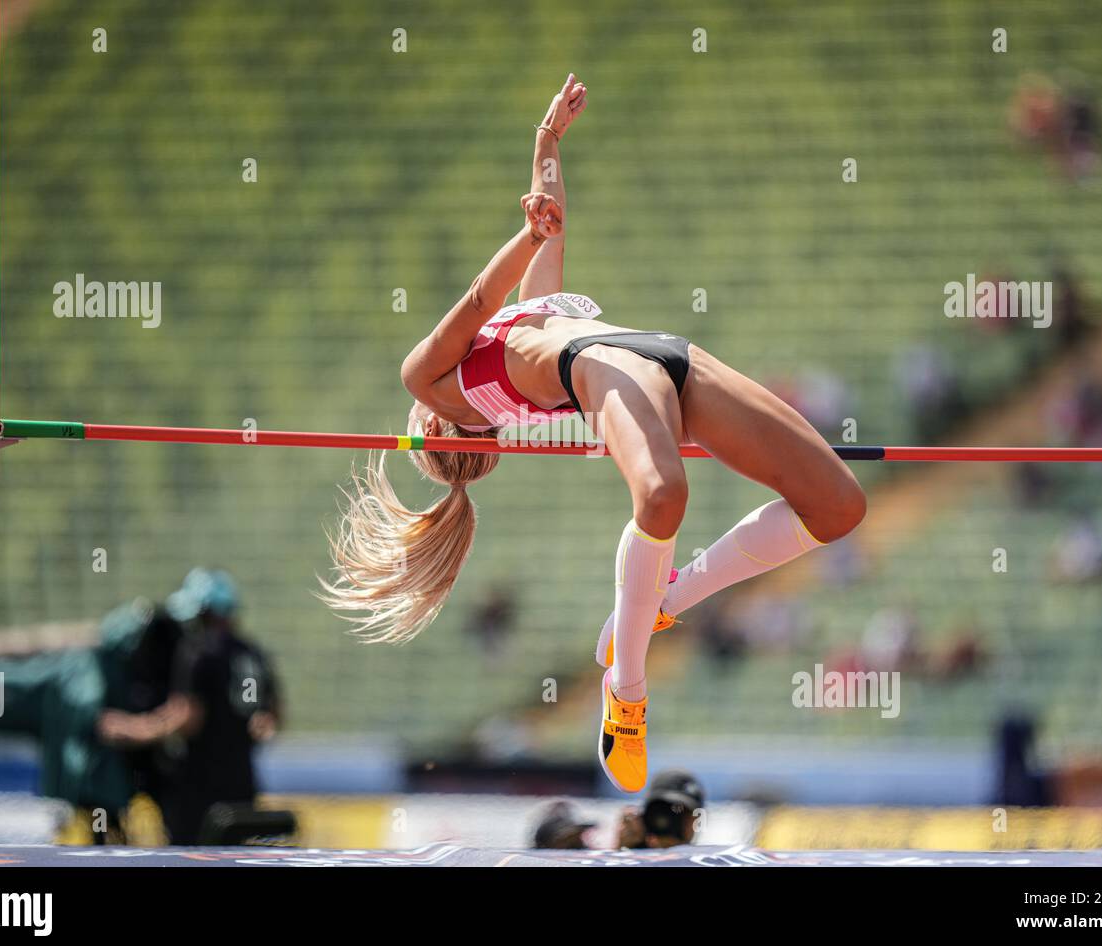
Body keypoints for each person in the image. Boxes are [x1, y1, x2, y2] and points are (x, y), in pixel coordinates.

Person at [319, 74, 866, 793]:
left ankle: (662, 599)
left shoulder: (522, 322)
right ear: (445, 429)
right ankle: (627, 692)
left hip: (669, 354)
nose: (413, 421)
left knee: (839, 507)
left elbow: (549, 233)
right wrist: (527, 231)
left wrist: (547, 142)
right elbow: (480, 295)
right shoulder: (429, 382)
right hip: (604, 368)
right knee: (664, 494)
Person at [98, 568, 282, 844]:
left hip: (199, 793)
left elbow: (187, 717)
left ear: (204, 612)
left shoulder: (198, 651)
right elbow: (272, 716)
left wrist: (130, 729)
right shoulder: (252, 654)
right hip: (243, 788)